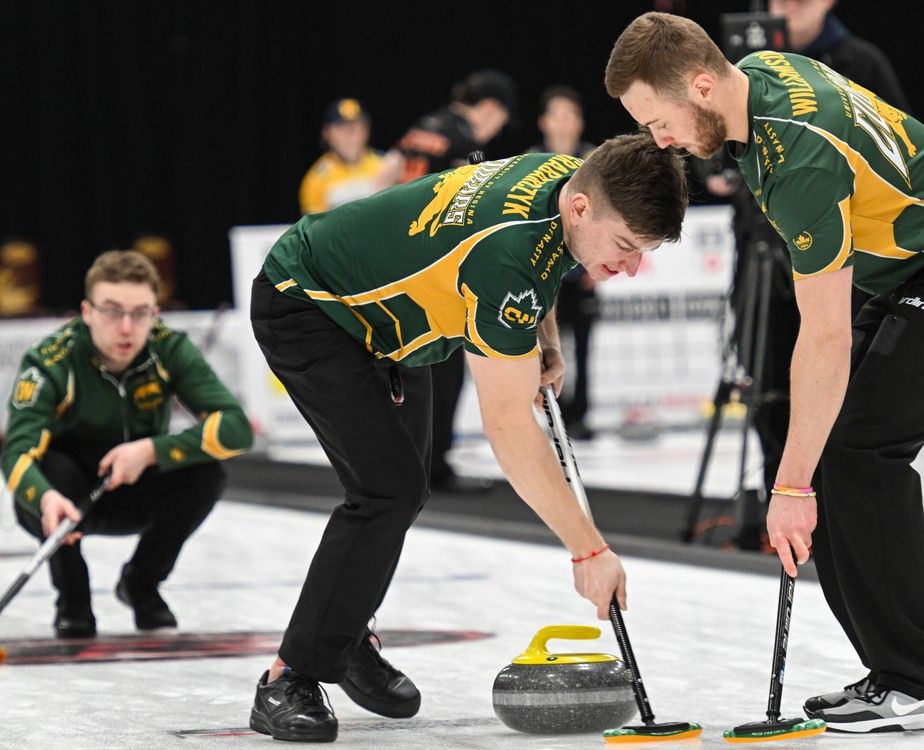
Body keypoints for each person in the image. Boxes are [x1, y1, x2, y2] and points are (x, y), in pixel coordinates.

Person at [606, 11, 924, 735]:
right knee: (830, 453)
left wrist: (787, 488)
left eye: (658, 121)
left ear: (699, 85)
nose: (659, 141)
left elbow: (823, 336)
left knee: (855, 453)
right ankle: (898, 674)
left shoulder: (796, 159)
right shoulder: (763, 75)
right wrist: (796, 474)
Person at [247, 133, 688, 742]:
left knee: (404, 487)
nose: (633, 267)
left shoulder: (566, 178)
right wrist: (588, 550)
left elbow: (546, 259)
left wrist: (543, 340)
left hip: (391, 315)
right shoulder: (505, 257)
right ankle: (287, 678)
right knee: (387, 490)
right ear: (583, 207)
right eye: (626, 246)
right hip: (309, 302)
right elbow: (508, 429)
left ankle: (342, 632)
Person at [701, 0, 912, 506]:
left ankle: (852, 503)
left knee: (845, 370)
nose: (791, 5)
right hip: (761, 249)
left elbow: (899, 141)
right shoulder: (737, 64)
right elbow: (704, 137)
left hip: (844, 252)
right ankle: (782, 494)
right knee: (767, 373)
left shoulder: (859, 61)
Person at [1, 250, 253, 638]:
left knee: (205, 474)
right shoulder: (50, 359)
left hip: (134, 483)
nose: (126, 328)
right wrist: (45, 499)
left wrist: (152, 451)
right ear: (86, 311)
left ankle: (141, 584)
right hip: (67, 497)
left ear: (155, 313)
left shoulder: (168, 348)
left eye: (141, 313)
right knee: (50, 470)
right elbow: (16, 453)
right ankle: (73, 599)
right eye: (112, 311)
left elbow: (236, 428)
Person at [396, 69, 517, 492]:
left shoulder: (421, 129)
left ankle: (413, 460)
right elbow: (477, 206)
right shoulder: (465, 143)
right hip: (437, 265)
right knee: (445, 369)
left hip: (401, 258)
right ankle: (434, 464)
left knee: (414, 365)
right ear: (489, 108)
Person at [528, 86, 599, 439]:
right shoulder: (531, 161)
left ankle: (580, 414)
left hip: (581, 271)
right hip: (543, 271)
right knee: (541, 346)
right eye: (557, 115)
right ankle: (544, 411)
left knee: (583, 344)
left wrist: (596, 267)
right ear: (543, 122)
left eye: (570, 115)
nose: (563, 123)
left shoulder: (595, 160)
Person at [299, 98, 403, 215]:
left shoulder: (385, 162)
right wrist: (376, 186)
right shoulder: (316, 179)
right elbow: (313, 230)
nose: (350, 136)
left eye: (356, 128)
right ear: (327, 133)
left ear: (367, 130)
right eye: (341, 129)